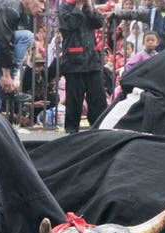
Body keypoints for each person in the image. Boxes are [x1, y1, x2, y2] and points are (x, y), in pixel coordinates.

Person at [59, 0, 106, 133]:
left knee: (98, 96)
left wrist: (90, 8)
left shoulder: (88, 8)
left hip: (92, 61)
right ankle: (71, 130)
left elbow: (99, 22)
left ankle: (98, 127)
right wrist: (78, 7)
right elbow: (70, 25)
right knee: (74, 98)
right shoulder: (65, 8)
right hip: (74, 61)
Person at [101, 0, 165, 50]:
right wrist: (114, 14)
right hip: (155, 55)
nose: (157, 2)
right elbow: (133, 14)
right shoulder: (151, 12)